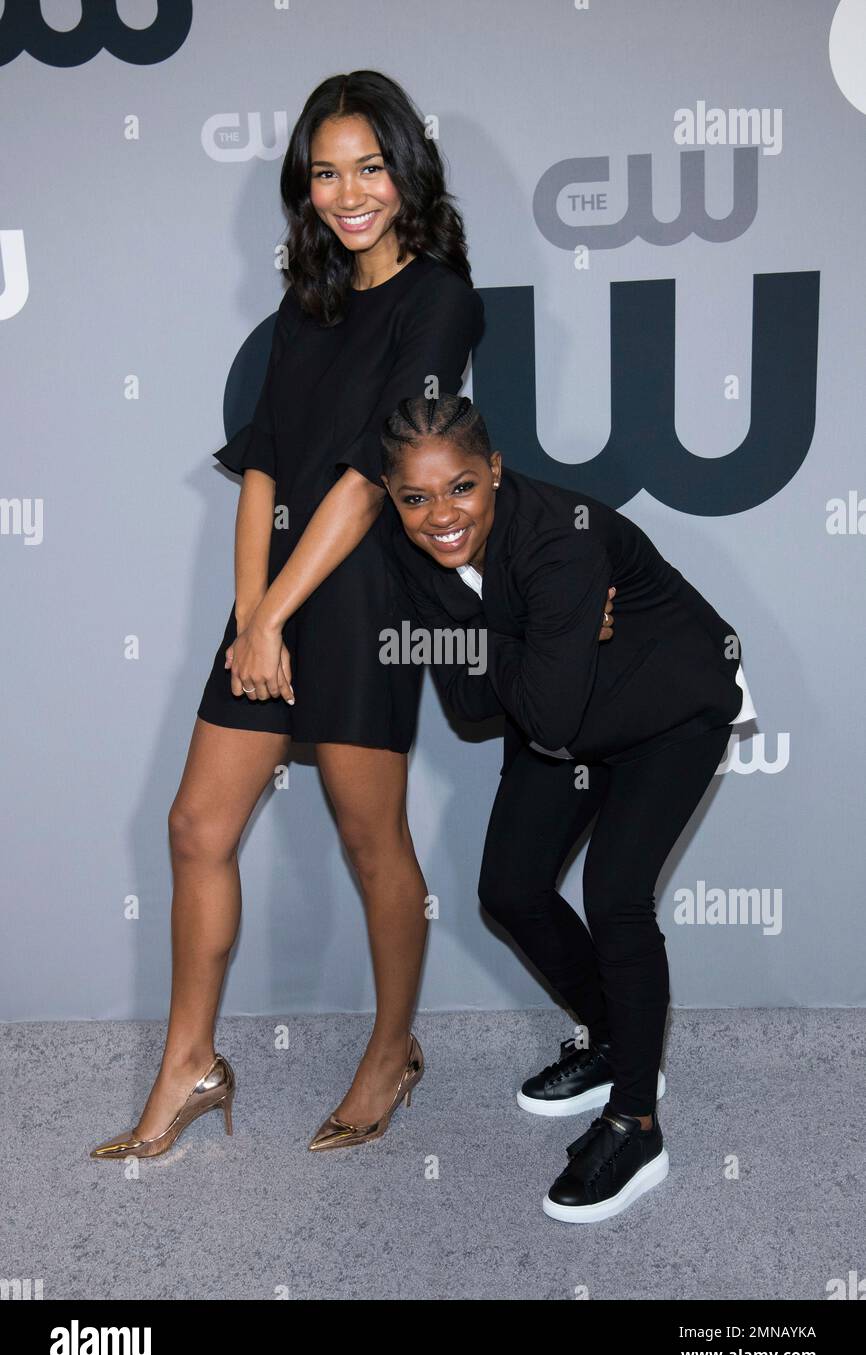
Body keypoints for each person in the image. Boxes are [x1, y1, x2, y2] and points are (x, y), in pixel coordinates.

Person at [90, 72, 494, 1160]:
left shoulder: (440, 296)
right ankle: (190, 1063)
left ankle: (392, 1046)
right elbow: (263, 465)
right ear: (302, 187)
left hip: (359, 594)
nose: (347, 192)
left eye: (369, 166)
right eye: (325, 171)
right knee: (193, 826)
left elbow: (373, 477)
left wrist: (274, 608)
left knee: (371, 842)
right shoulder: (303, 305)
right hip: (267, 597)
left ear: (405, 173)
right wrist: (248, 616)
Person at [380, 392, 757, 1222]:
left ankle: (636, 1122)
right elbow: (471, 700)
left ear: (497, 474)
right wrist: (536, 638)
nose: (441, 516)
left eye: (463, 489)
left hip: (668, 707)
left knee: (615, 896)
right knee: (509, 889)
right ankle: (617, 1039)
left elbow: (526, 702)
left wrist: (496, 637)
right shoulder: (413, 546)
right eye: (416, 497)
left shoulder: (561, 543)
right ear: (394, 496)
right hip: (565, 724)